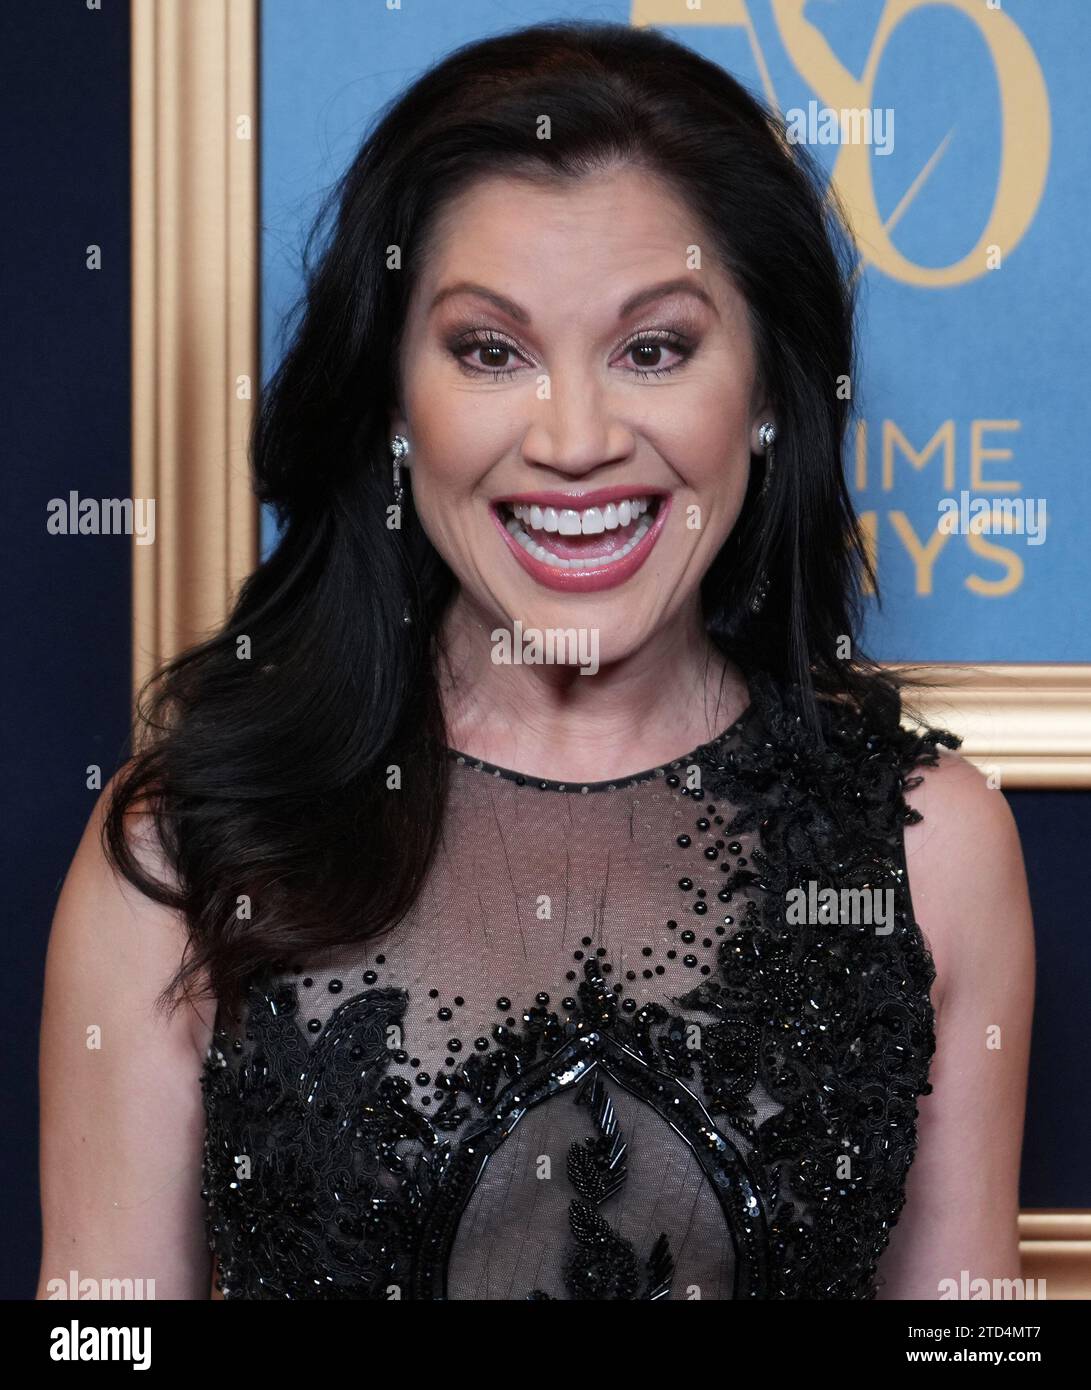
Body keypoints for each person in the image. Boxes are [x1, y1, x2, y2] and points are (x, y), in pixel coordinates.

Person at [37, 20, 1033, 1300]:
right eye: (489, 350)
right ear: (393, 403)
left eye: (654, 348)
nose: (573, 439)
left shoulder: (926, 846)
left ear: (770, 393)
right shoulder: (185, 845)